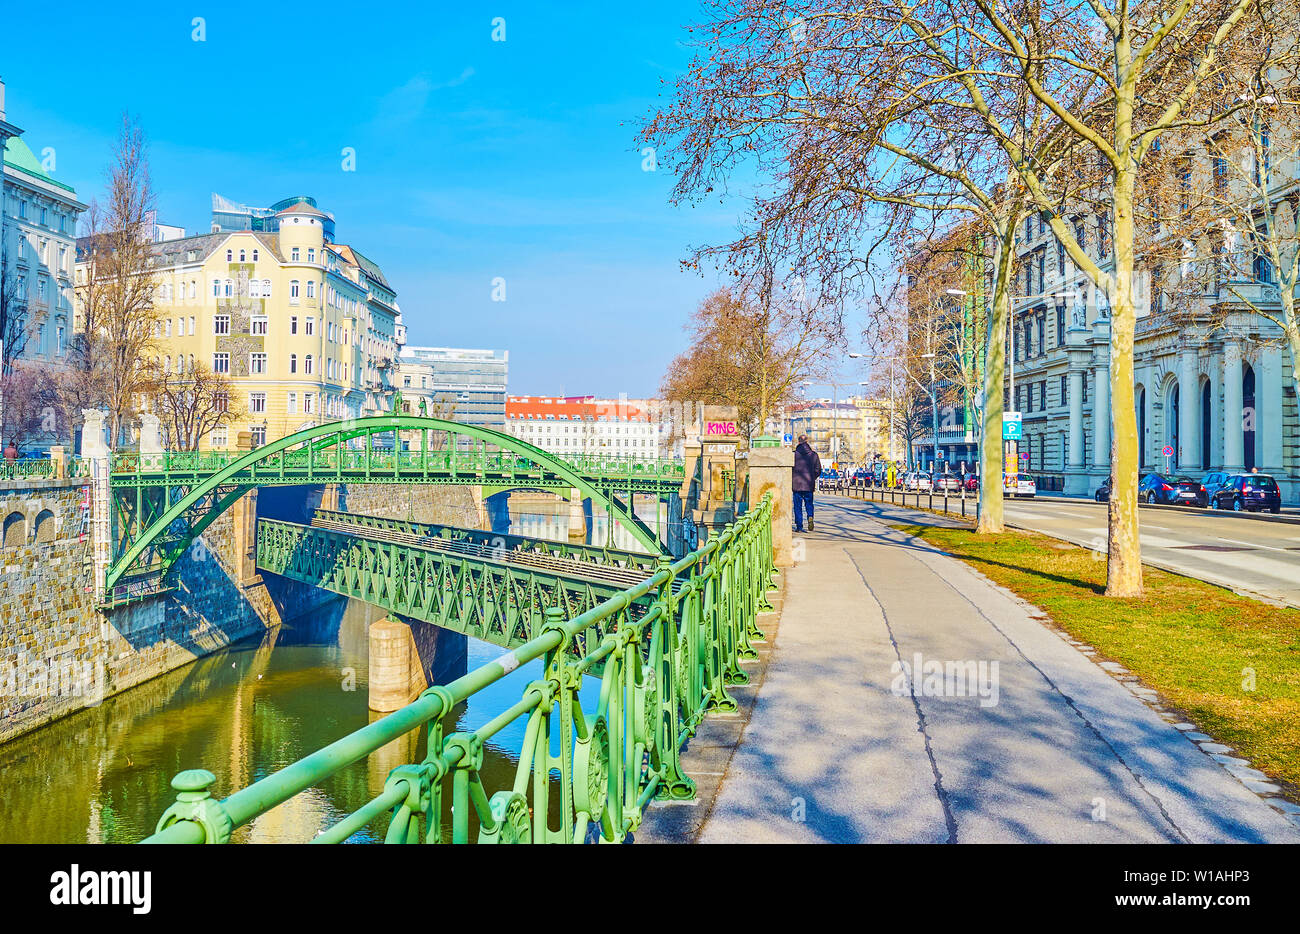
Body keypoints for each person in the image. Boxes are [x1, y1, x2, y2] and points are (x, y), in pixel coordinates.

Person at [792, 434, 821, 533]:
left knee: (797, 506)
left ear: (799, 442)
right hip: (809, 484)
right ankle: (810, 516)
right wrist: (812, 477)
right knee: (809, 503)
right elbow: (818, 470)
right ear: (807, 441)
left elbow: (790, 469)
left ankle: (799, 526)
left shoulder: (794, 455)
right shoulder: (814, 455)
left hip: (796, 485)